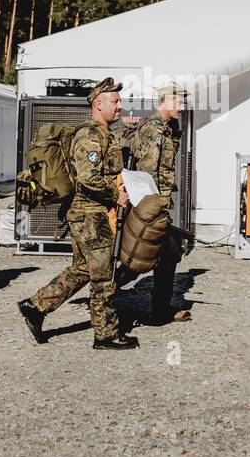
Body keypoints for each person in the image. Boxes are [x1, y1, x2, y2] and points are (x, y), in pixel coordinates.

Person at [16, 77, 138, 351]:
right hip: (89, 215)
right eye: (115, 101)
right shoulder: (90, 135)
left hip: (88, 214)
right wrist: (114, 194)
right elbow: (87, 177)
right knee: (103, 275)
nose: (120, 106)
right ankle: (105, 334)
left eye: (119, 101)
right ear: (98, 104)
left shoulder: (104, 134)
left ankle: (35, 306)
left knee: (84, 268)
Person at [131, 83, 191, 322]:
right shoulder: (153, 130)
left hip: (161, 204)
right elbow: (148, 173)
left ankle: (161, 308)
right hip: (153, 204)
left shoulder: (167, 129)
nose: (182, 106)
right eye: (179, 101)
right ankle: (108, 302)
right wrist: (153, 207)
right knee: (138, 256)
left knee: (168, 255)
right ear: (167, 100)